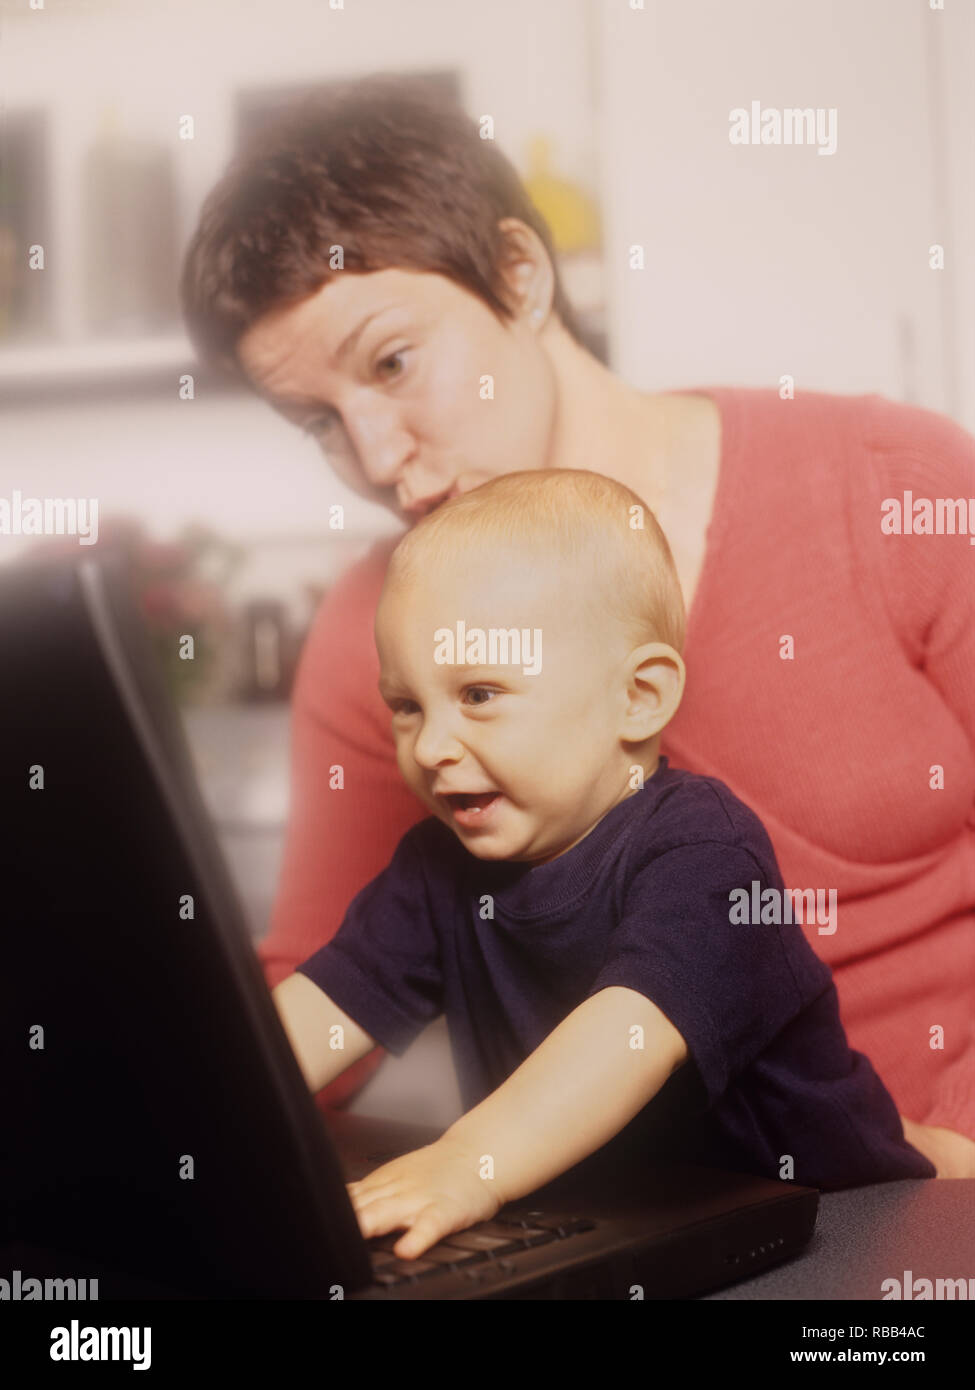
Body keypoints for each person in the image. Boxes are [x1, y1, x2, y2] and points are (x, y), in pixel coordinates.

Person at [178, 73, 975, 1177]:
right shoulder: (380, 628)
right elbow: (331, 986)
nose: (373, 458)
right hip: (633, 1210)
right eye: (317, 419)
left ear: (521, 274)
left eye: (394, 362)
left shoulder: (903, 487)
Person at [272, 468, 935, 1261]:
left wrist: (468, 1161)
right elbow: (325, 1004)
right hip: (622, 1219)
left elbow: (628, 1033)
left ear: (639, 697)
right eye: (407, 705)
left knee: (918, 1166)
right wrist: (201, 1111)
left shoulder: (704, 851)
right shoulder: (435, 865)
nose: (429, 746)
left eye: (479, 694)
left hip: (829, 1217)